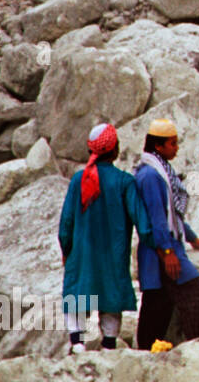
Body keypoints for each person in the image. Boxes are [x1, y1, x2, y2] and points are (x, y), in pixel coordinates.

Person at [57, 123, 155, 353]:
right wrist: (156, 247)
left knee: (78, 292)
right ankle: (109, 343)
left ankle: (77, 343)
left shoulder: (78, 180)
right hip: (113, 254)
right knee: (110, 295)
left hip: (81, 253)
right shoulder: (124, 181)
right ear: (114, 149)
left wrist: (66, 250)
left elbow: (66, 223)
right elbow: (142, 221)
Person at [134, 118, 199, 350]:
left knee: (158, 305)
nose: (176, 148)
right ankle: (195, 347)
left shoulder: (161, 171)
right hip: (161, 252)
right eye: (172, 143)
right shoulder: (150, 176)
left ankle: (151, 350)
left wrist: (193, 239)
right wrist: (168, 252)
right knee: (195, 294)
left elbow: (173, 214)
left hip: (166, 248)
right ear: (158, 146)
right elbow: (157, 217)